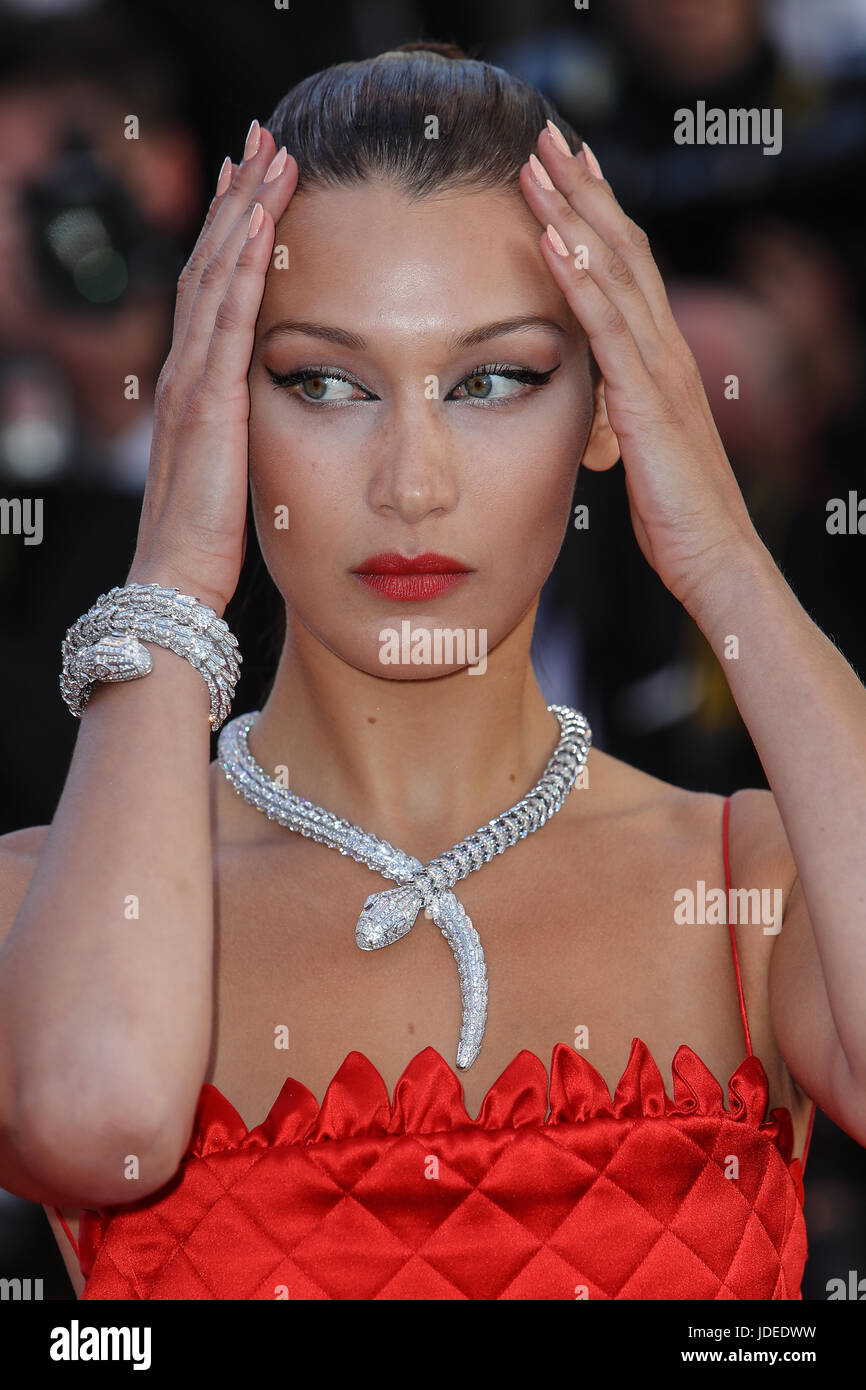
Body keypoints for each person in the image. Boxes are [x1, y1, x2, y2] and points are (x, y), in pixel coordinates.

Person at [1, 40, 864, 1302]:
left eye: (495, 378)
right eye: (324, 382)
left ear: (614, 401)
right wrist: (174, 573)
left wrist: (722, 557)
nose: (412, 483)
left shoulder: (755, 884)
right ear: (218, 403)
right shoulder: (44, 900)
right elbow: (99, 1116)